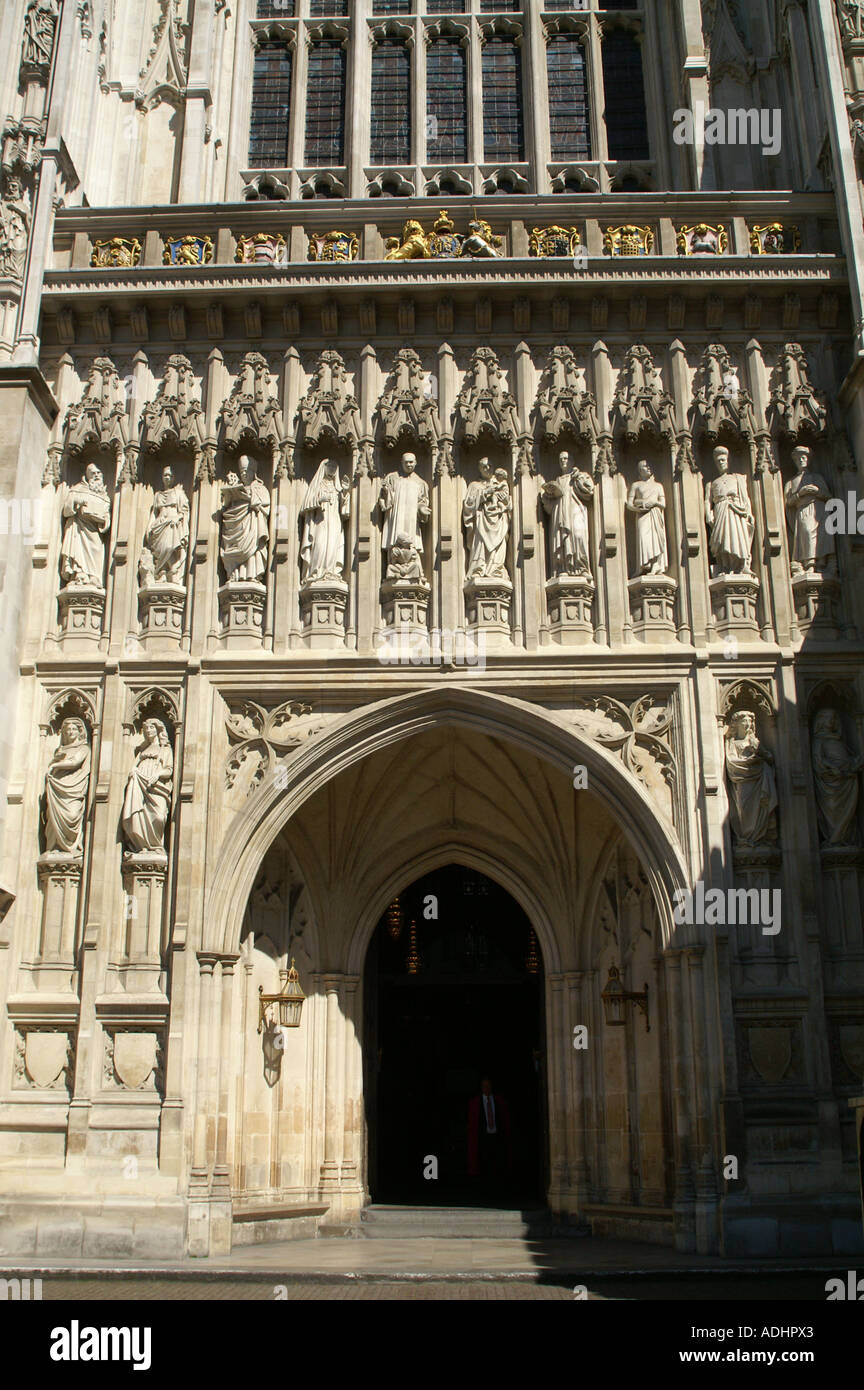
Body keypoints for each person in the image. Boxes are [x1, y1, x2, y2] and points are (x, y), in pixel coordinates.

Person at [467, 1076, 512, 1197]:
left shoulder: (499, 1101)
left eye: (488, 1086)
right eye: (484, 1086)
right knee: (483, 1165)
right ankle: (484, 1192)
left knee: (497, 1164)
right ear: (481, 1088)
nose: (486, 1088)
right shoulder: (475, 1103)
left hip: (496, 1137)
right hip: (482, 1139)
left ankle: (497, 1191)